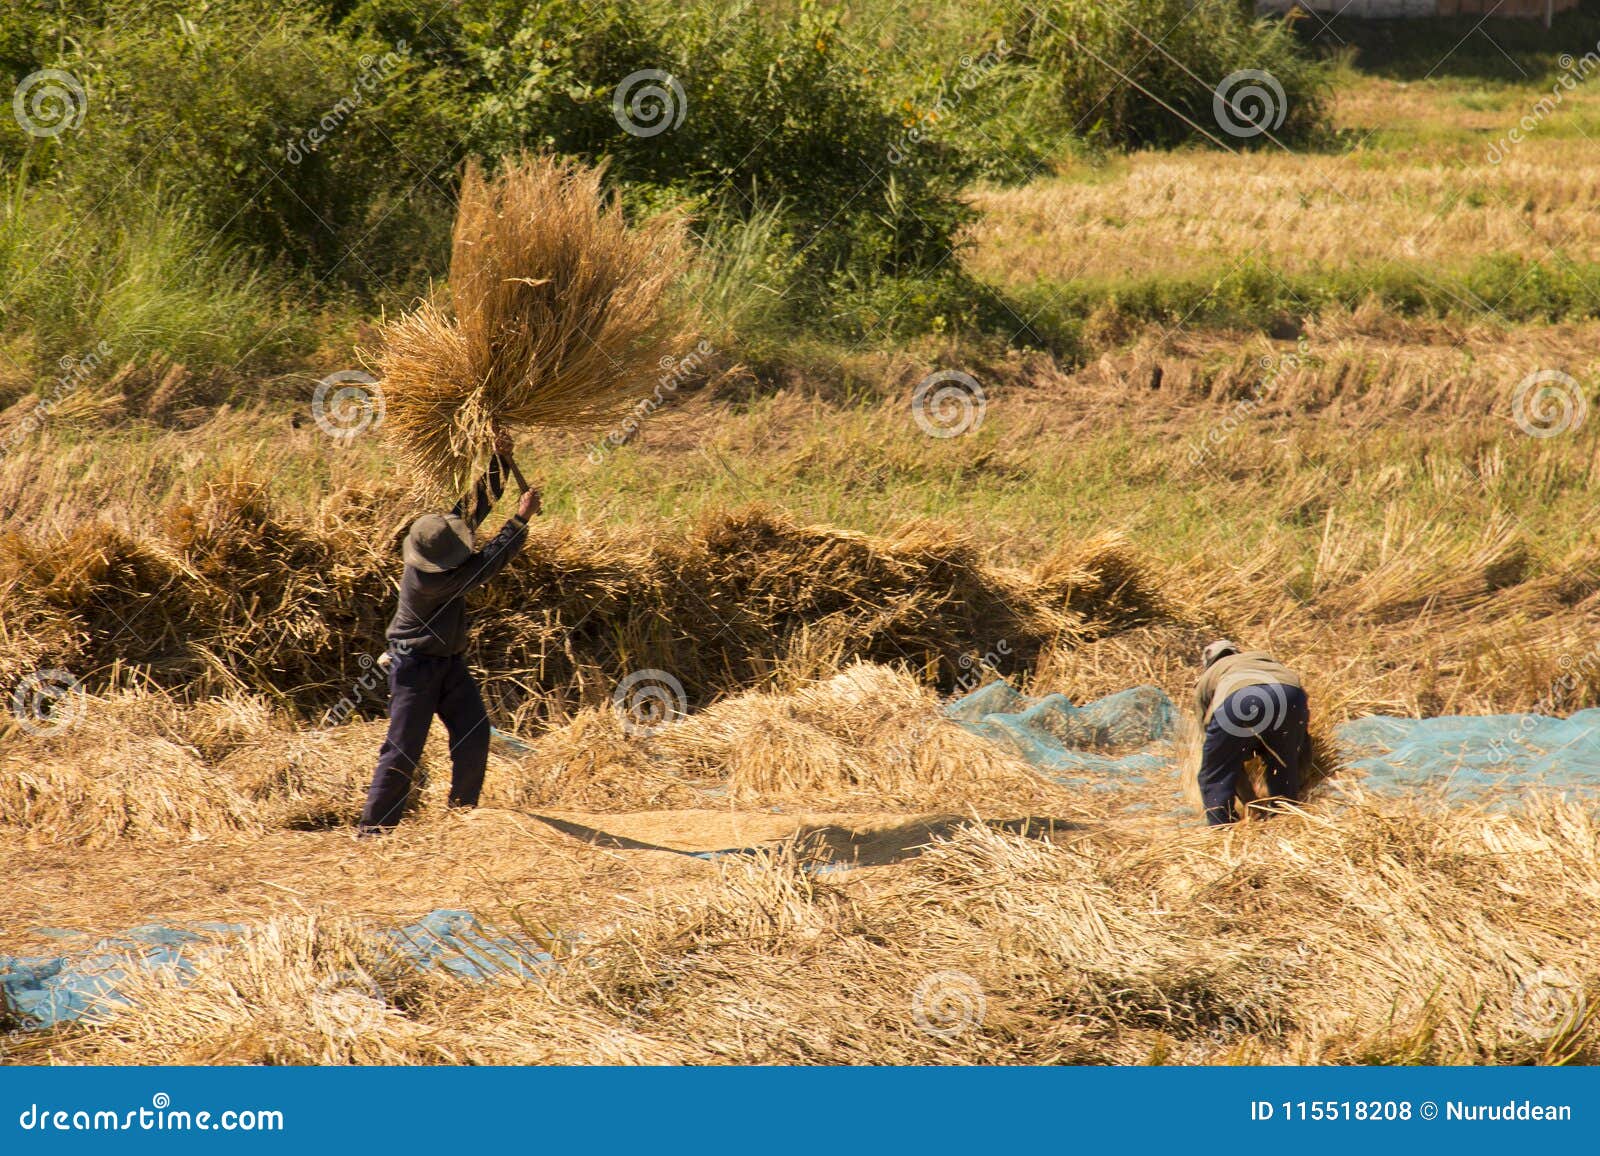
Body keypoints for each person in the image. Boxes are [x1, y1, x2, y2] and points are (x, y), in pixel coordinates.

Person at [357, 431, 540, 835]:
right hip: (415, 668)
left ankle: (462, 818)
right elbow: (486, 565)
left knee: (473, 735)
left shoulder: (437, 545)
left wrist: (500, 461)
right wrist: (519, 521)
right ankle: (374, 830)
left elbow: (470, 510)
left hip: (450, 664)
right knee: (404, 749)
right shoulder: (430, 583)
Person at [1193, 640, 1309, 827]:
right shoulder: (1262, 658)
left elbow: (1218, 753)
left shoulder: (1208, 678)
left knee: (1214, 774)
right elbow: (1302, 748)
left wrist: (1250, 802)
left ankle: (1223, 831)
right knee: (1283, 764)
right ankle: (1285, 820)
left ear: (1209, 663)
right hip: (1290, 695)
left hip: (1238, 700)